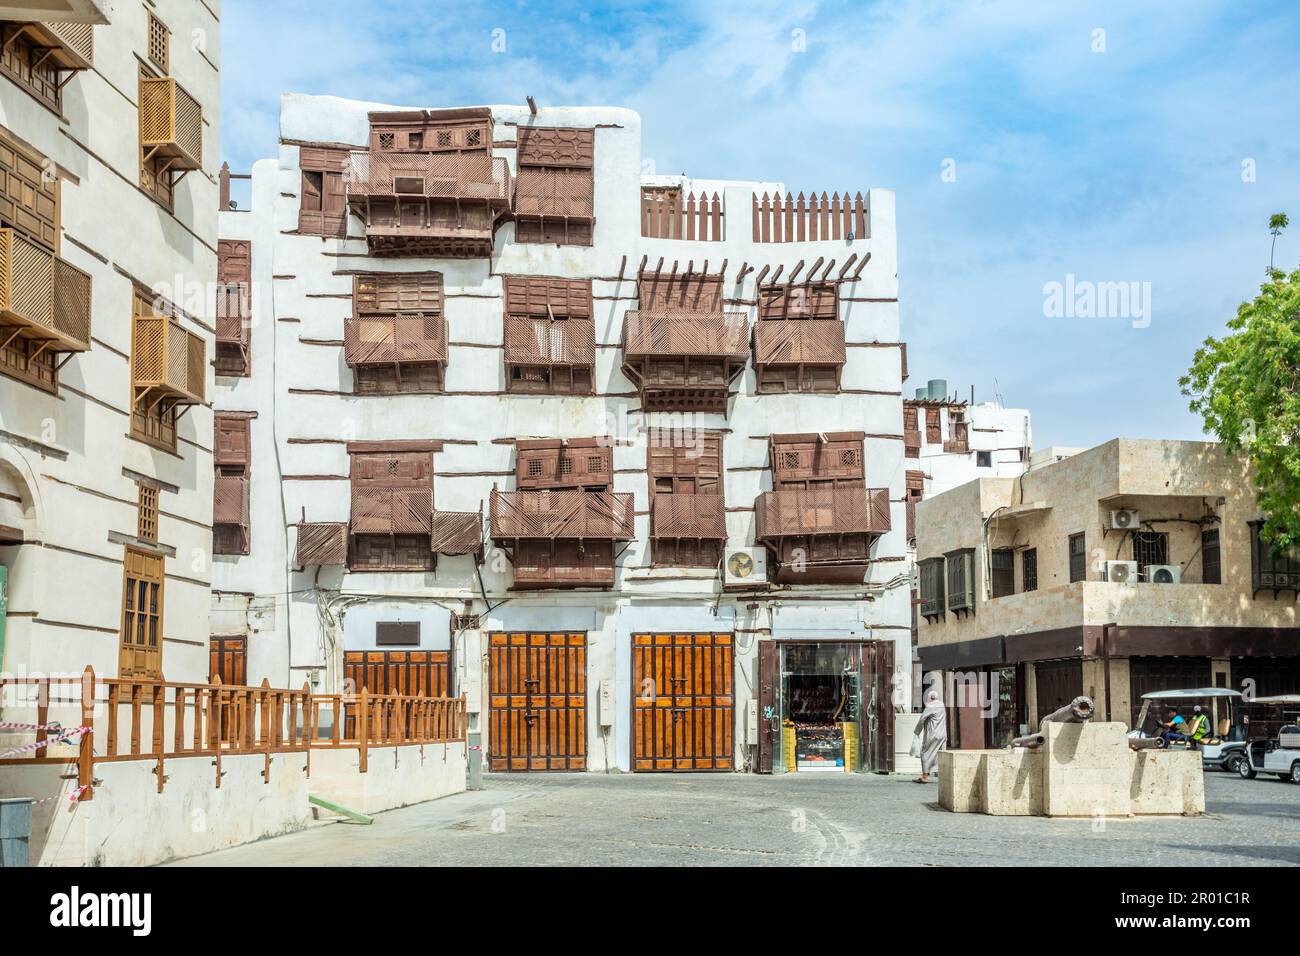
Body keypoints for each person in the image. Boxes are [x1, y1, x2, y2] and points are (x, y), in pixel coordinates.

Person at [912, 687, 948, 783]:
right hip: (942, 735)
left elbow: (922, 719)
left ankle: (925, 777)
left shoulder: (930, 707)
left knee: (925, 753)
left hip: (932, 735)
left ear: (930, 698)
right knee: (940, 754)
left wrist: (916, 732)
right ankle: (942, 775)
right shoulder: (942, 705)